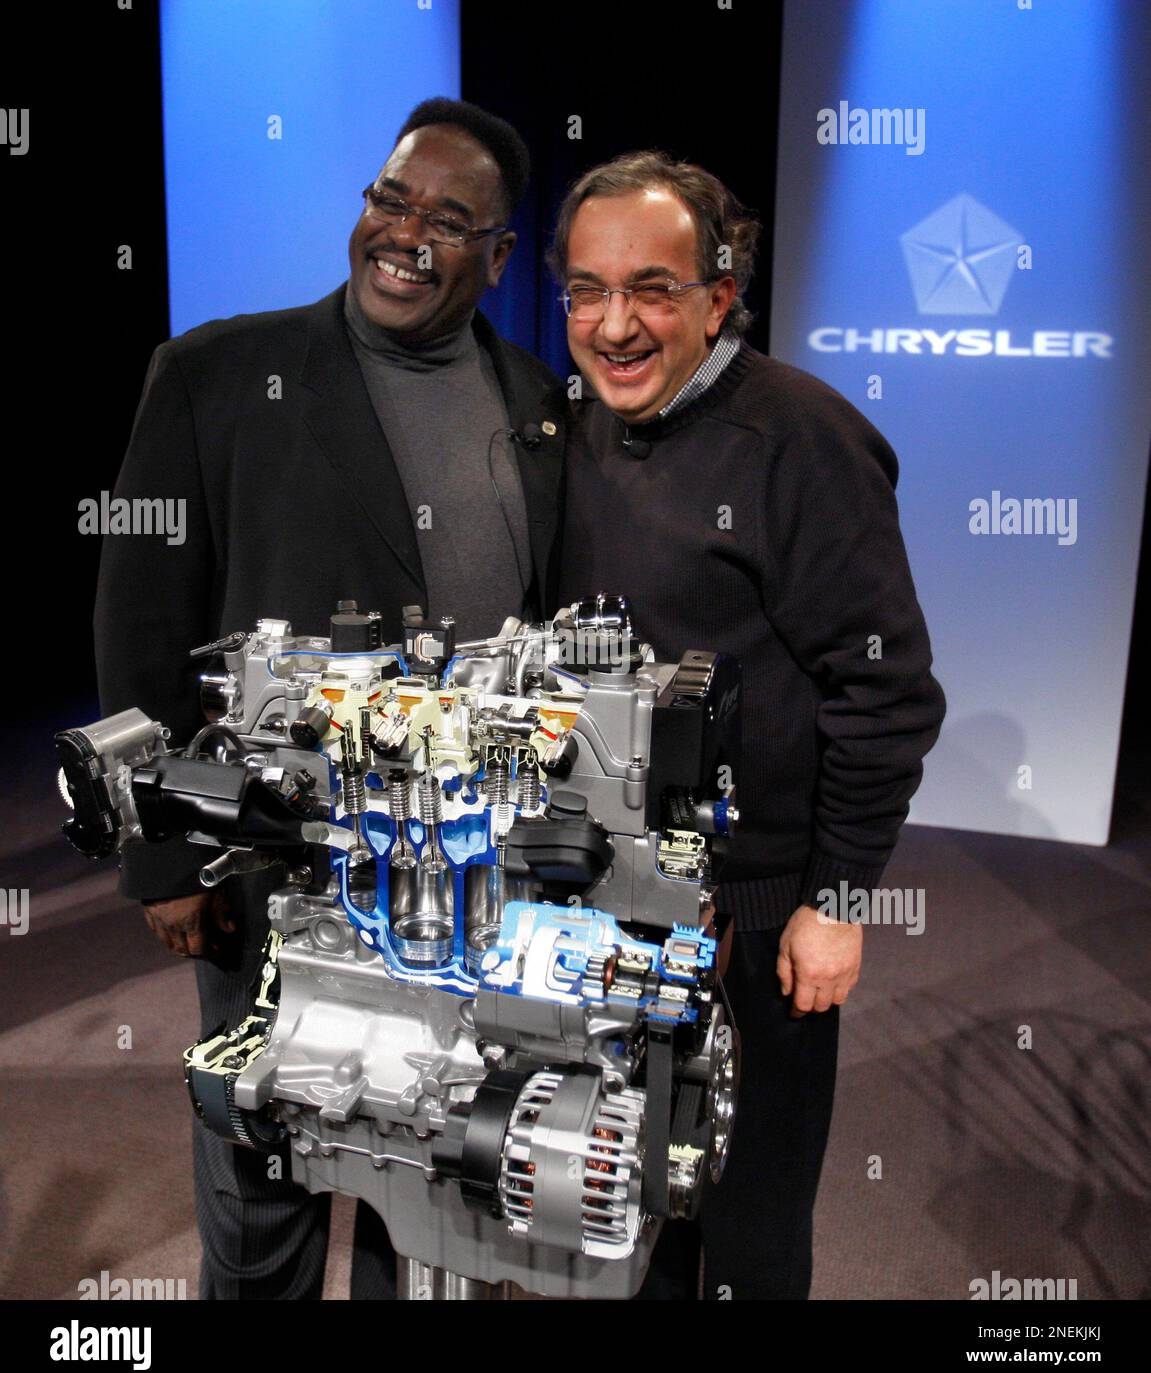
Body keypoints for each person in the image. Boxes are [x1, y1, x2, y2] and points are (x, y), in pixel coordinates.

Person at [94, 97, 567, 1300]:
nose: (402, 234)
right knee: (263, 1196)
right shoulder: (214, 373)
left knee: (449, 1185)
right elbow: (140, 624)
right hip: (276, 872)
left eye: (446, 220)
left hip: (470, 875)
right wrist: (165, 862)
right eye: (388, 200)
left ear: (498, 256)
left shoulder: (539, 405)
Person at [551, 152, 947, 1299]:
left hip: (757, 923)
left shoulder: (803, 442)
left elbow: (887, 688)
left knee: (750, 1218)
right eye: (586, 290)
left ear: (719, 295)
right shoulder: (568, 431)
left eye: (652, 288)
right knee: (620, 1206)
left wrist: (837, 900)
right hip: (601, 909)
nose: (614, 324)